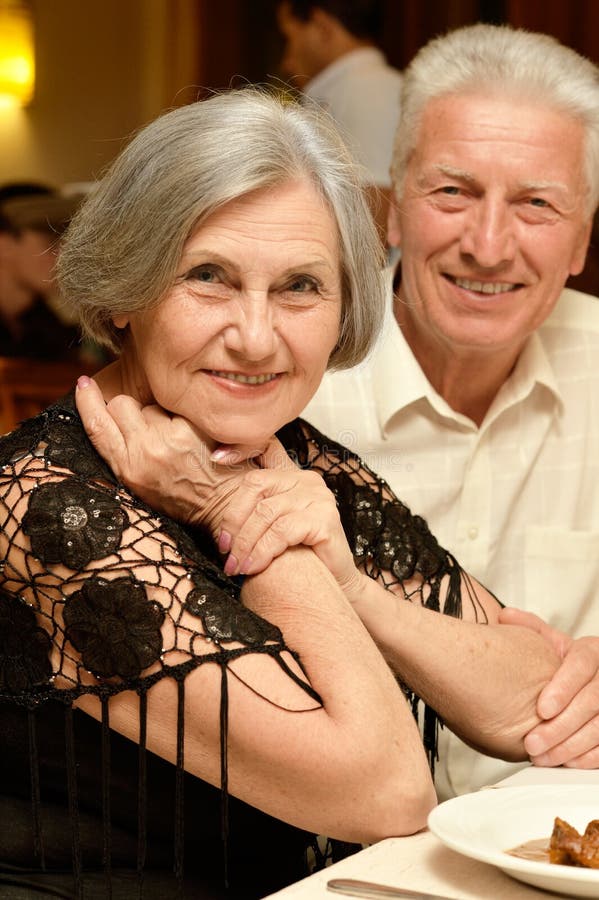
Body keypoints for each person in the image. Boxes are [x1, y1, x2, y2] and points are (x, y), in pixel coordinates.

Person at [0, 88, 564, 899]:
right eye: (208, 277)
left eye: (299, 286)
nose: (257, 337)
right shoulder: (43, 503)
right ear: (125, 293)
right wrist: (235, 509)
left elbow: (527, 699)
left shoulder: (287, 454)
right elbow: (385, 793)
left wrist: (349, 585)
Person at [302, 22, 599, 799]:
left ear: (581, 239)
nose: (489, 244)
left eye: (535, 203)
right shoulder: (293, 377)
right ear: (393, 209)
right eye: (452, 192)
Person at [276, 0, 402, 237]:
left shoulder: (367, 90)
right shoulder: (352, 88)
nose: (287, 61)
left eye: (289, 38)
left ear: (322, 27)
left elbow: (377, 218)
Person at [0, 182, 85, 360]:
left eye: (64, 244)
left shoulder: (53, 333)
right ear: (4, 244)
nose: (63, 256)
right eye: (50, 244)